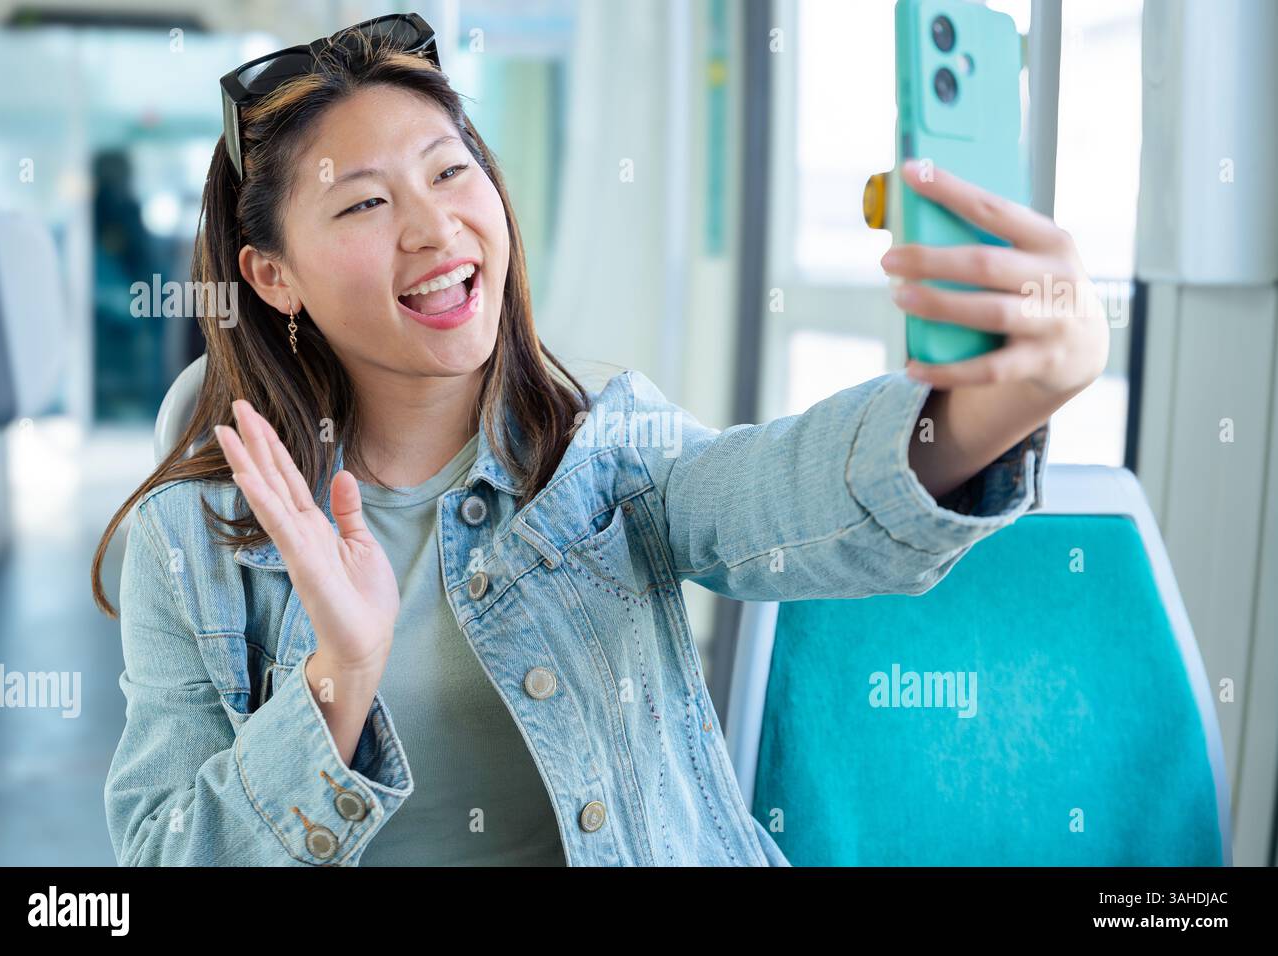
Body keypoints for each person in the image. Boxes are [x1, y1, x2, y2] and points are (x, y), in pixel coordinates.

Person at [91, 20, 1108, 867]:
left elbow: (784, 496)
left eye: (452, 171)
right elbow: (157, 854)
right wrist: (337, 677)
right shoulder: (190, 537)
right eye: (364, 201)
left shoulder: (605, 450)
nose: (434, 227)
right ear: (271, 276)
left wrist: (998, 398)